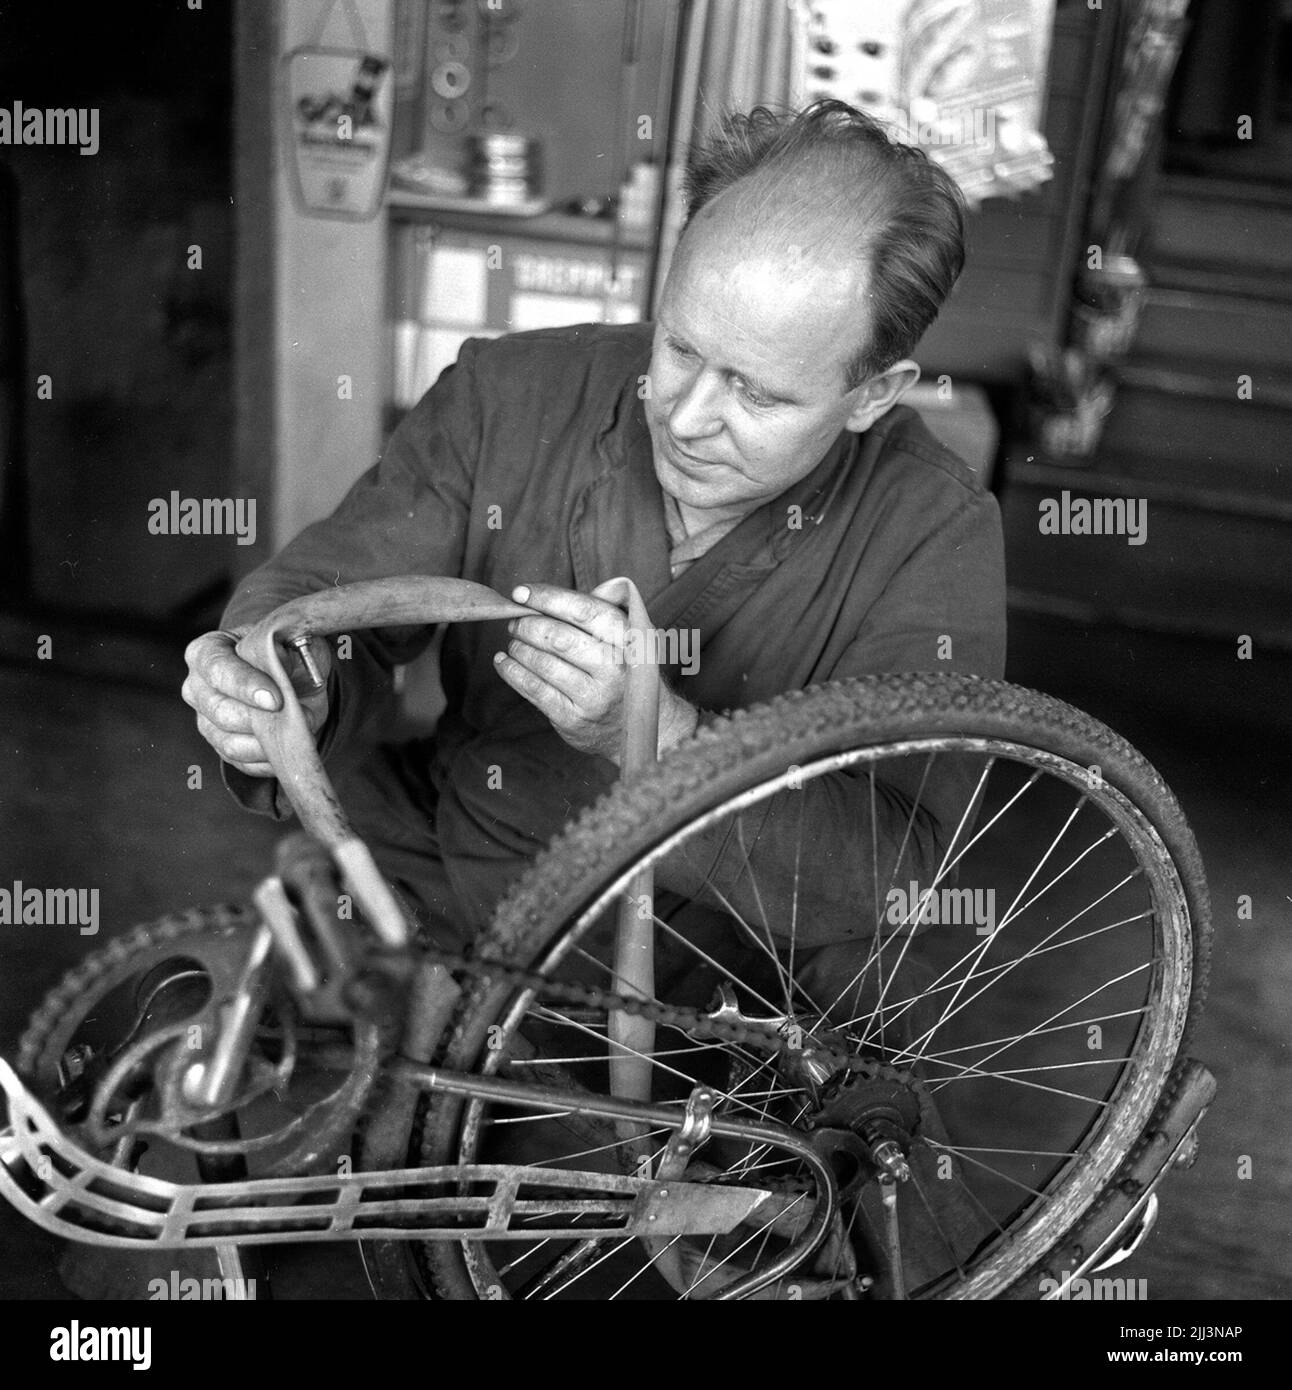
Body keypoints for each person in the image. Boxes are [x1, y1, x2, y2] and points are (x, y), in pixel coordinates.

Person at [182, 99, 1006, 974]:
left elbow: (891, 868)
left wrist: (653, 739)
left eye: (757, 396)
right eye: (681, 349)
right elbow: (326, 594)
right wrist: (277, 681)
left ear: (875, 394)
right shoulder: (512, 395)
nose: (686, 419)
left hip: (719, 981)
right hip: (465, 866)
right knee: (279, 1010)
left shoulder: (933, 531)